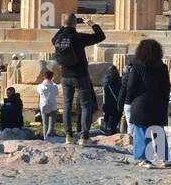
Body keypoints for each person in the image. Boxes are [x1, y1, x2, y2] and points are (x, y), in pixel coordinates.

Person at [51, 12, 105, 147]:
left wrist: (64, 26)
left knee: (67, 105)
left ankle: (68, 136)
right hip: (80, 75)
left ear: (64, 24)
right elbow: (101, 36)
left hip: (65, 76)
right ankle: (84, 137)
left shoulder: (58, 38)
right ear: (75, 23)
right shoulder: (78, 37)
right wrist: (91, 23)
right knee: (85, 105)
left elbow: (53, 39)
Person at [123, 38, 171, 167]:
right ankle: (165, 158)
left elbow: (131, 86)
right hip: (158, 102)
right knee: (158, 130)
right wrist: (164, 102)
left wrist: (128, 101)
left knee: (140, 131)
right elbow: (166, 87)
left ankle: (143, 159)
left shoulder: (137, 67)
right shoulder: (163, 67)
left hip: (140, 103)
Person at [37, 69, 60, 139]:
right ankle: (49, 137)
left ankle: (45, 138)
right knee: (51, 124)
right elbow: (56, 93)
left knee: (45, 124)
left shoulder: (40, 86)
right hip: (53, 106)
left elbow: (39, 92)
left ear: (44, 77)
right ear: (52, 77)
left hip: (43, 106)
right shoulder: (54, 86)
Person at [100, 65, 123, 134]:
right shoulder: (120, 80)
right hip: (117, 105)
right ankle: (115, 130)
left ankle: (108, 129)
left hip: (109, 105)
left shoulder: (107, 80)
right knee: (115, 122)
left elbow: (103, 82)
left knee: (109, 120)